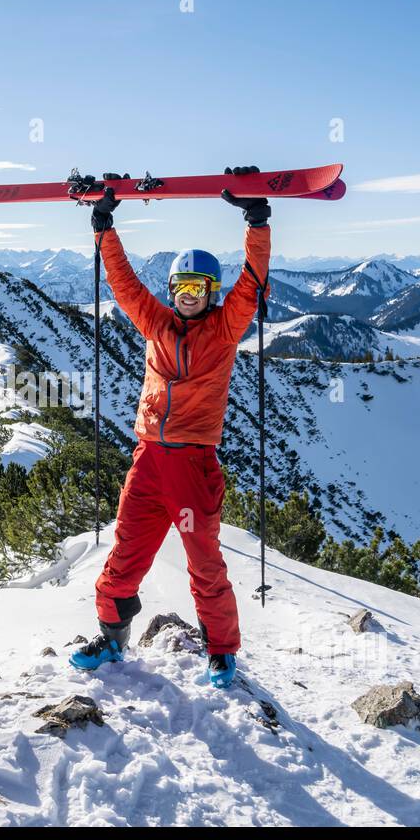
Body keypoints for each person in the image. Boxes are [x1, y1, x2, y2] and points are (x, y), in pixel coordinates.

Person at [70, 166, 272, 689]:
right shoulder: (156, 323)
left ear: (210, 291)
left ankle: (222, 651)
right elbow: (123, 284)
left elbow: (252, 285)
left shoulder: (225, 328)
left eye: (198, 287)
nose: (188, 294)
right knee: (125, 552)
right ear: (173, 289)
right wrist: (103, 228)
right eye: (181, 286)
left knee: (204, 562)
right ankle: (112, 639)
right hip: (147, 462)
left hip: (191, 466)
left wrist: (256, 222)